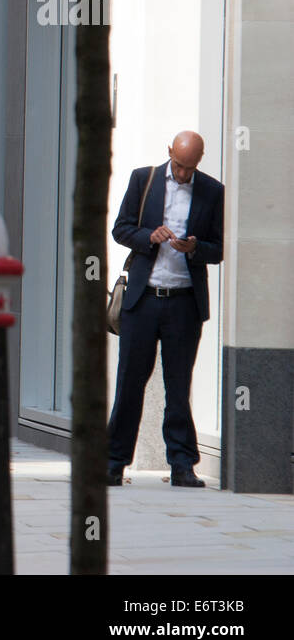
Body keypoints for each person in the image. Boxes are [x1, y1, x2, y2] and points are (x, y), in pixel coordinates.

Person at [108, 130, 224, 489]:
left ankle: (182, 465)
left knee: (178, 385)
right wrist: (148, 238)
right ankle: (113, 462)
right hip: (142, 299)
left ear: (199, 162)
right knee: (130, 382)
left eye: (191, 167)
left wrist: (194, 247)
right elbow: (120, 229)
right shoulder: (144, 180)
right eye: (179, 165)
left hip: (184, 302)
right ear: (169, 152)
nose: (184, 173)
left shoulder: (212, 191)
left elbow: (217, 249)